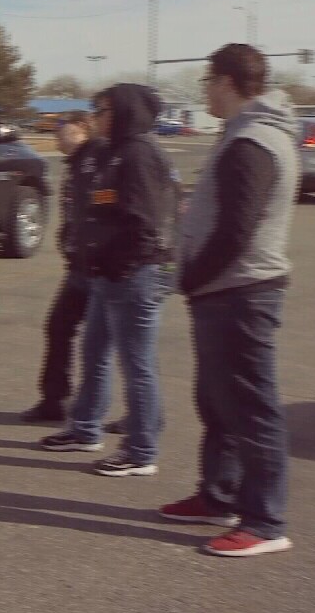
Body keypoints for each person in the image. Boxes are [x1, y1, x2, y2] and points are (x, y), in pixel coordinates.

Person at [158, 44, 298, 557]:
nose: (203, 91)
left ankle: (264, 521)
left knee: (251, 407)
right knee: (218, 402)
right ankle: (218, 495)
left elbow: (236, 231)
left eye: (206, 82)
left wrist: (192, 277)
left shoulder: (253, 141)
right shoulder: (244, 135)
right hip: (227, 292)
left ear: (227, 82)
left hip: (240, 295)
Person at [39, 84, 179, 477]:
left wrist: (121, 265)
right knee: (94, 350)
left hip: (133, 276)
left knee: (137, 365)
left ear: (122, 112)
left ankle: (141, 451)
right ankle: (85, 429)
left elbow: (146, 222)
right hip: (107, 274)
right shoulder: (115, 151)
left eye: (100, 109)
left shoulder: (138, 153)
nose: (95, 117)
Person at [22, 111, 100, 423]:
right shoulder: (76, 164)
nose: (56, 135)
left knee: (114, 344)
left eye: (62, 130)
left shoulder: (98, 161)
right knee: (59, 327)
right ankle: (54, 400)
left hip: (100, 267)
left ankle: (141, 415)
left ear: (82, 130)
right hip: (78, 267)